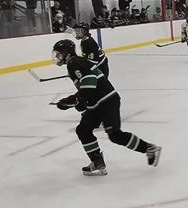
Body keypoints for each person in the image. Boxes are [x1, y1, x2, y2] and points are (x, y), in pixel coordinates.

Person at [51, 39, 161, 176]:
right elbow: (88, 88)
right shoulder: (75, 62)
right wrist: (77, 102)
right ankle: (97, 162)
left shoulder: (74, 62)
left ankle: (150, 148)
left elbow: (90, 81)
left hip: (107, 101)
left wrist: (75, 99)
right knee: (83, 130)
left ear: (67, 54)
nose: (57, 57)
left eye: (59, 54)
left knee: (115, 135)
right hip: (96, 104)